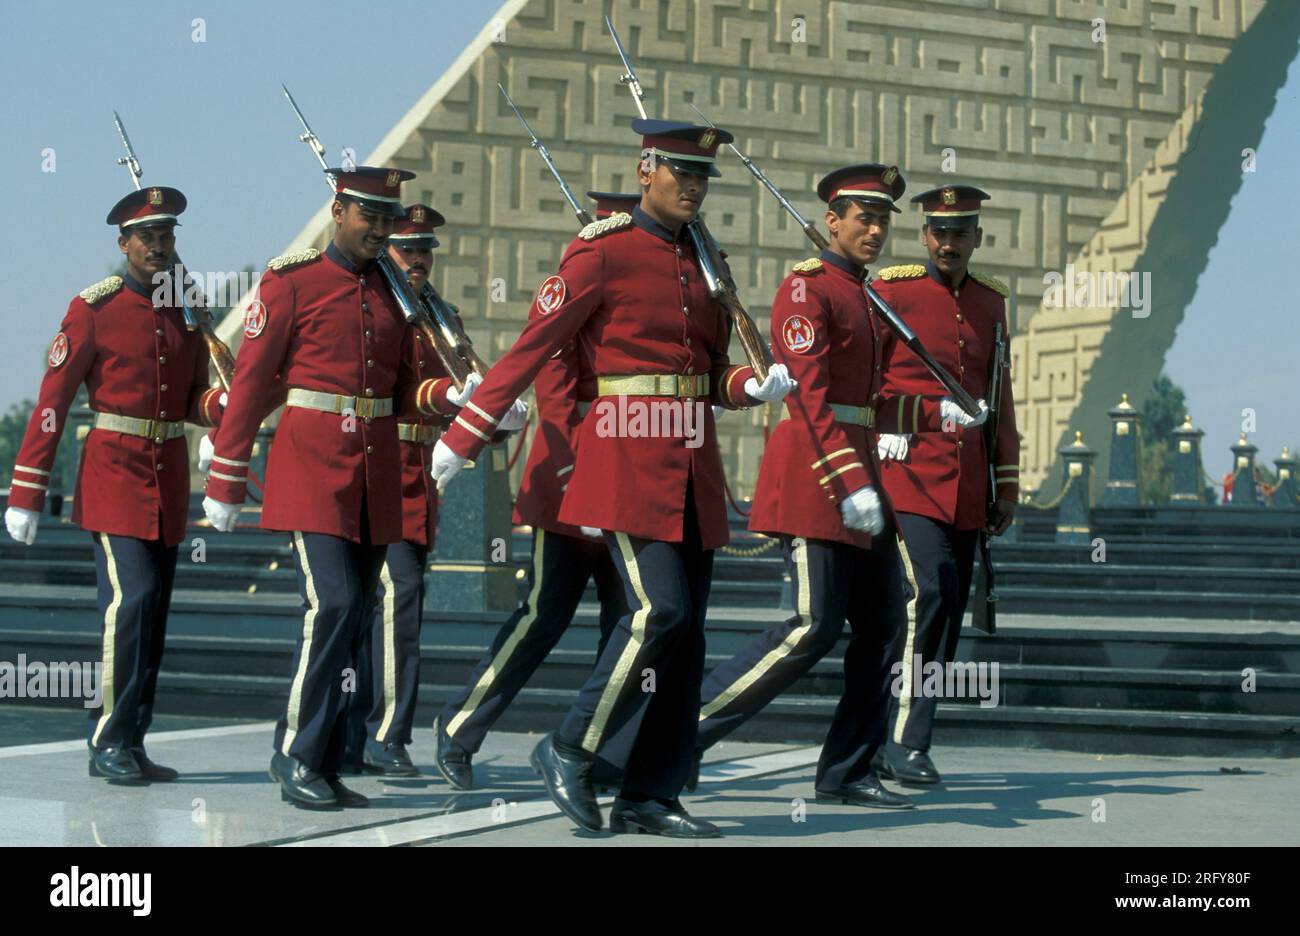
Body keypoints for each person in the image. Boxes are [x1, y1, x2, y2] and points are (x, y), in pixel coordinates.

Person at [430, 121, 795, 837]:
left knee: (684, 637)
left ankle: (649, 794)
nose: (692, 186)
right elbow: (532, 348)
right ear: (645, 170)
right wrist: (464, 434)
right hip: (626, 459)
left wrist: (749, 386)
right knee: (657, 612)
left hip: (692, 460)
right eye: (680, 172)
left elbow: (707, 375)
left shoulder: (703, 260)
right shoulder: (602, 252)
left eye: (702, 177)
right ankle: (568, 746)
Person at [697, 165, 986, 808]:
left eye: (884, 220)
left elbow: (875, 397)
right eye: (864, 219)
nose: (877, 231)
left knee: (884, 627)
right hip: (815, 483)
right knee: (812, 627)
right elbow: (811, 399)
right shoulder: (808, 291)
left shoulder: (867, 294)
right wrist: (852, 483)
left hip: (861, 488)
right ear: (833, 220)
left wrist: (935, 413)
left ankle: (848, 769)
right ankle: (681, 734)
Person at [4, 186, 224, 784]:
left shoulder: (185, 310)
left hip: (168, 479)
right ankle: (107, 738)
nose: (158, 246)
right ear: (123, 243)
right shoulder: (92, 309)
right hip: (112, 478)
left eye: (167, 237)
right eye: (147, 237)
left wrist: (223, 403)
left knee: (153, 614)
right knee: (130, 606)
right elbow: (52, 403)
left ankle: (133, 738)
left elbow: (190, 400)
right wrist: (27, 490)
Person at [432, 193, 641, 790]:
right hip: (572, 487)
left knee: (627, 621)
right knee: (542, 618)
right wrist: (584, 482)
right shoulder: (573, 289)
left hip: (628, 486)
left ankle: (604, 755)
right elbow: (556, 401)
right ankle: (459, 726)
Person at [872, 184, 1018, 785]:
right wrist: (896, 422)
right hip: (906, 472)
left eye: (961, 233)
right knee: (926, 594)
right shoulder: (890, 291)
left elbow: (999, 398)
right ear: (924, 236)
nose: (948, 243)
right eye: (938, 232)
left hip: (966, 486)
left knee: (948, 610)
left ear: (977, 238)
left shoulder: (991, 303)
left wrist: (1005, 484)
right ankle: (905, 741)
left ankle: (894, 731)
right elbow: (864, 380)